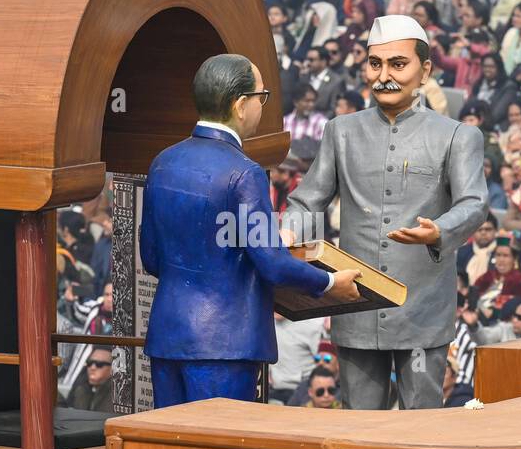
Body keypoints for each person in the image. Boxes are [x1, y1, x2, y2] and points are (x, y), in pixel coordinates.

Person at [282, 14, 488, 410]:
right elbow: (307, 200)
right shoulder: (341, 131)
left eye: (398, 64)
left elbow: (474, 203)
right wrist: (288, 234)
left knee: (420, 428)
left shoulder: (458, 136)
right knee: (359, 428)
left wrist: (439, 230)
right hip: (354, 303)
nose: (384, 75)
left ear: (424, 69)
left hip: (422, 309)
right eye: (375, 64)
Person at [141, 54, 359, 408]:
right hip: (226, 342)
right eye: (262, 97)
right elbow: (271, 264)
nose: (262, 105)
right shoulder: (244, 173)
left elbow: (151, 258)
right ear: (241, 105)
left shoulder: (163, 162)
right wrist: (331, 284)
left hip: (168, 334)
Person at [66, 347, 114, 412]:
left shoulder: (116, 398)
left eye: (99, 364)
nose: (92, 367)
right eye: (89, 363)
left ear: (112, 369)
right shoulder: (80, 388)